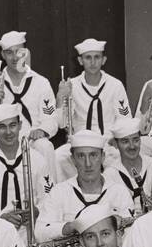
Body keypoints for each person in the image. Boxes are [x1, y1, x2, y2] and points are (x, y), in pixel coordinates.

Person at [0, 101, 55, 233]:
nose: (8, 132)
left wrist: (36, 211)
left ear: (20, 126)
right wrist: (0, 218)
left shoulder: (37, 159)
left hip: (31, 229)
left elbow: (49, 197)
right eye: (2, 127)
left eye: (12, 125)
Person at [51, 37, 132, 182]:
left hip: (108, 141)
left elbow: (124, 119)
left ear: (104, 60)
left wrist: (117, 138)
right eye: (88, 58)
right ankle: (71, 198)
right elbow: (62, 123)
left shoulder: (115, 85)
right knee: (58, 157)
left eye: (97, 57)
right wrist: (61, 98)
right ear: (80, 61)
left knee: (119, 163)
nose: (93, 62)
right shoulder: (72, 85)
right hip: (80, 141)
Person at [34, 130, 133, 243]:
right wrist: (69, 227)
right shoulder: (59, 192)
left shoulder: (119, 192)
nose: (88, 163)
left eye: (93, 155)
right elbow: (39, 233)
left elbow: (131, 234)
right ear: (73, 160)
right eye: (81, 156)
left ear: (103, 157)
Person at [0, 30, 58, 170]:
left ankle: (49, 190)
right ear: (3, 55)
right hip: (3, 138)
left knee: (45, 146)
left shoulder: (41, 82)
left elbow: (51, 117)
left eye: (18, 51)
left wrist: (42, 130)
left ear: (25, 52)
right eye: (9, 52)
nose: (15, 57)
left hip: (32, 138)